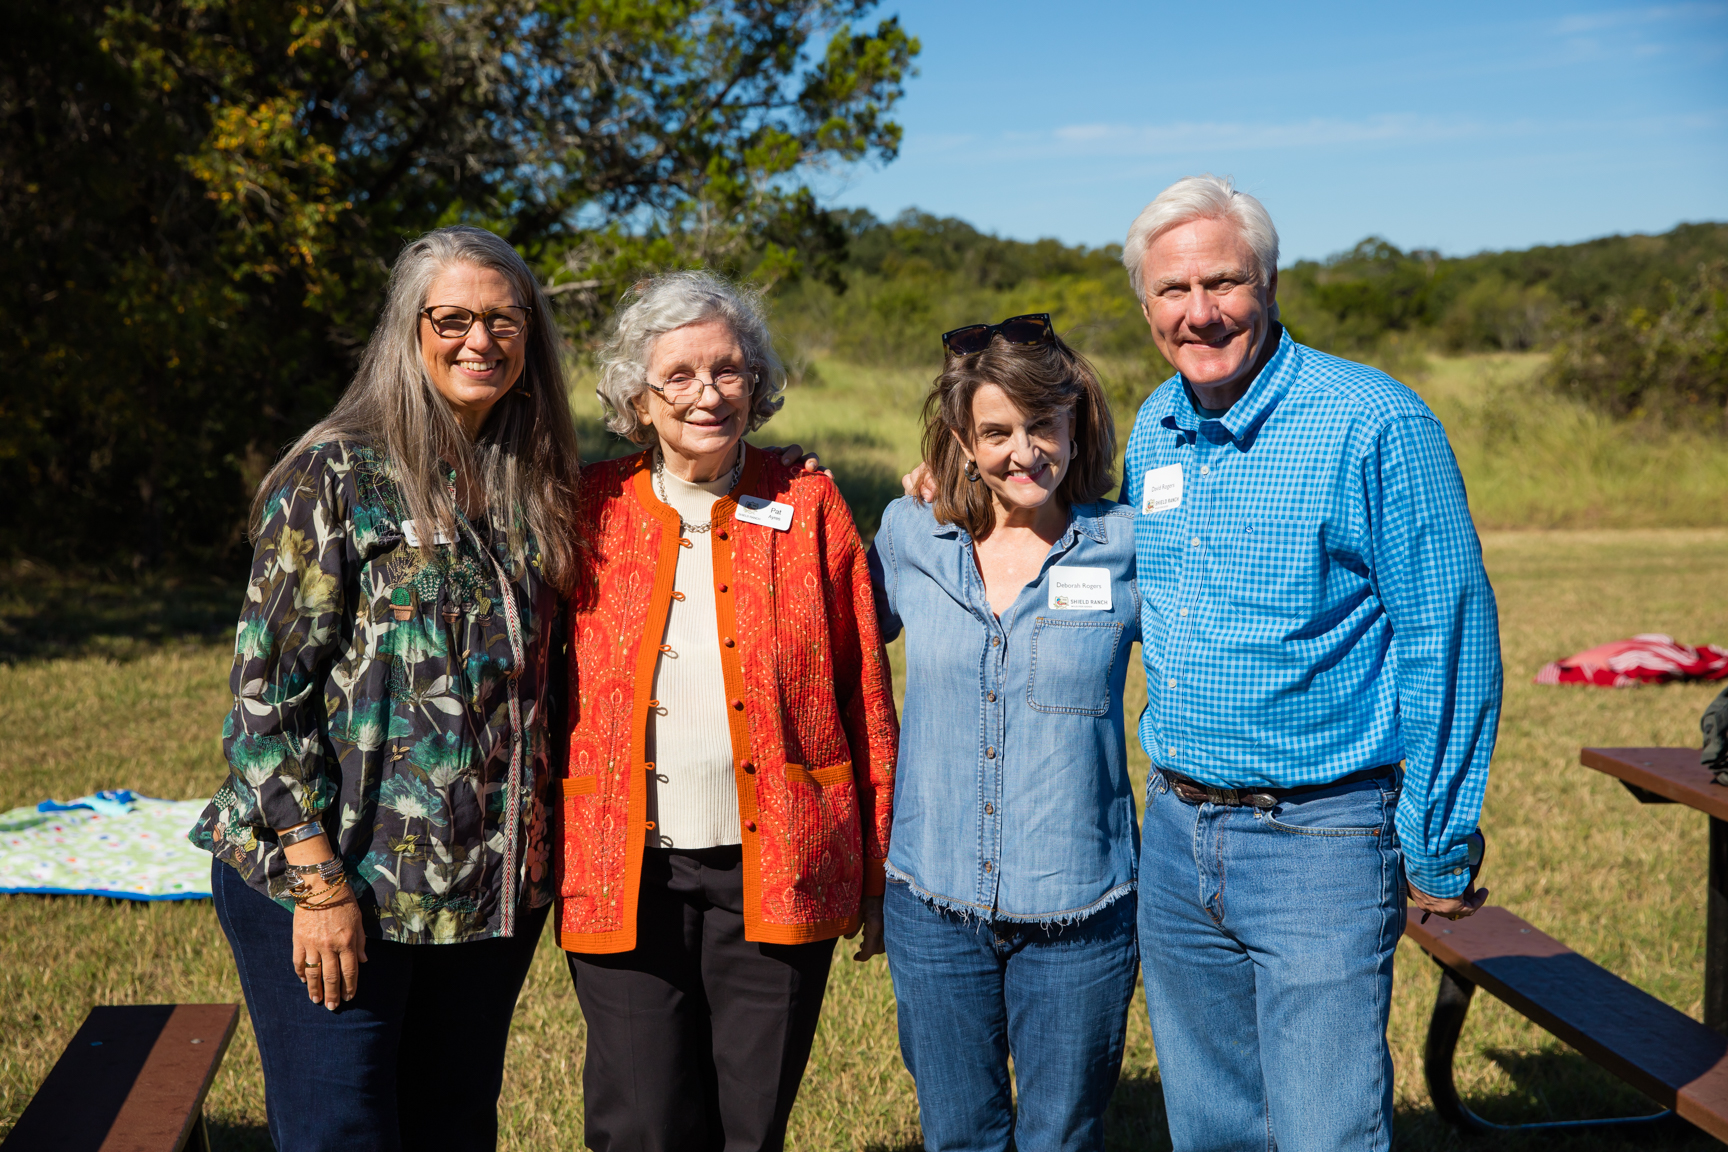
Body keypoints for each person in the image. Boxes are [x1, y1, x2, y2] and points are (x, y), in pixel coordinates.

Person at [1118, 175, 1501, 1151]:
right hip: (1175, 831)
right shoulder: (1153, 426)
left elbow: (1448, 632)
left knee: (1326, 1130)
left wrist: (1439, 840)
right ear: (1145, 305)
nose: (1199, 313)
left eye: (1224, 282)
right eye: (1172, 291)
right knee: (1211, 1127)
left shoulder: (1374, 423)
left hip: (1320, 839)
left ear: (1271, 281)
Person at [190, 225, 583, 1150]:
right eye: (451, 319)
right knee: (343, 1132)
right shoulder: (336, 471)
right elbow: (265, 697)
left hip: (484, 894)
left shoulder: (537, 481)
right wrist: (318, 883)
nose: (479, 340)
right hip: (342, 878)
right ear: (408, 332)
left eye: (502, 319)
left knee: (452, 1128)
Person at [558, 269, 899, 1152]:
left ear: (758, 384)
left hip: (781, 856)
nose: (707, 395)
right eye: (679, 376)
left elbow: (866, 687)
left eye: (730, 371)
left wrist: (877, 865)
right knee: (641, 1122)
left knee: (751, 1125)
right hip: (624, 862)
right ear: (637, 395)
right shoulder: (586, 505)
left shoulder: (810, 499)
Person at [870, 315, 1142, 1152]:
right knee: (958, 1135)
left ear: (1075, 424)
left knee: (1063, 1137)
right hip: (933, 901)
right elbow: (827, 645)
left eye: (1042, 426)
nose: (1023, 452)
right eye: (996, 432)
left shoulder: (1128, 546)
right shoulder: (909, 536)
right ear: (962, 438)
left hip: (1080, 906)